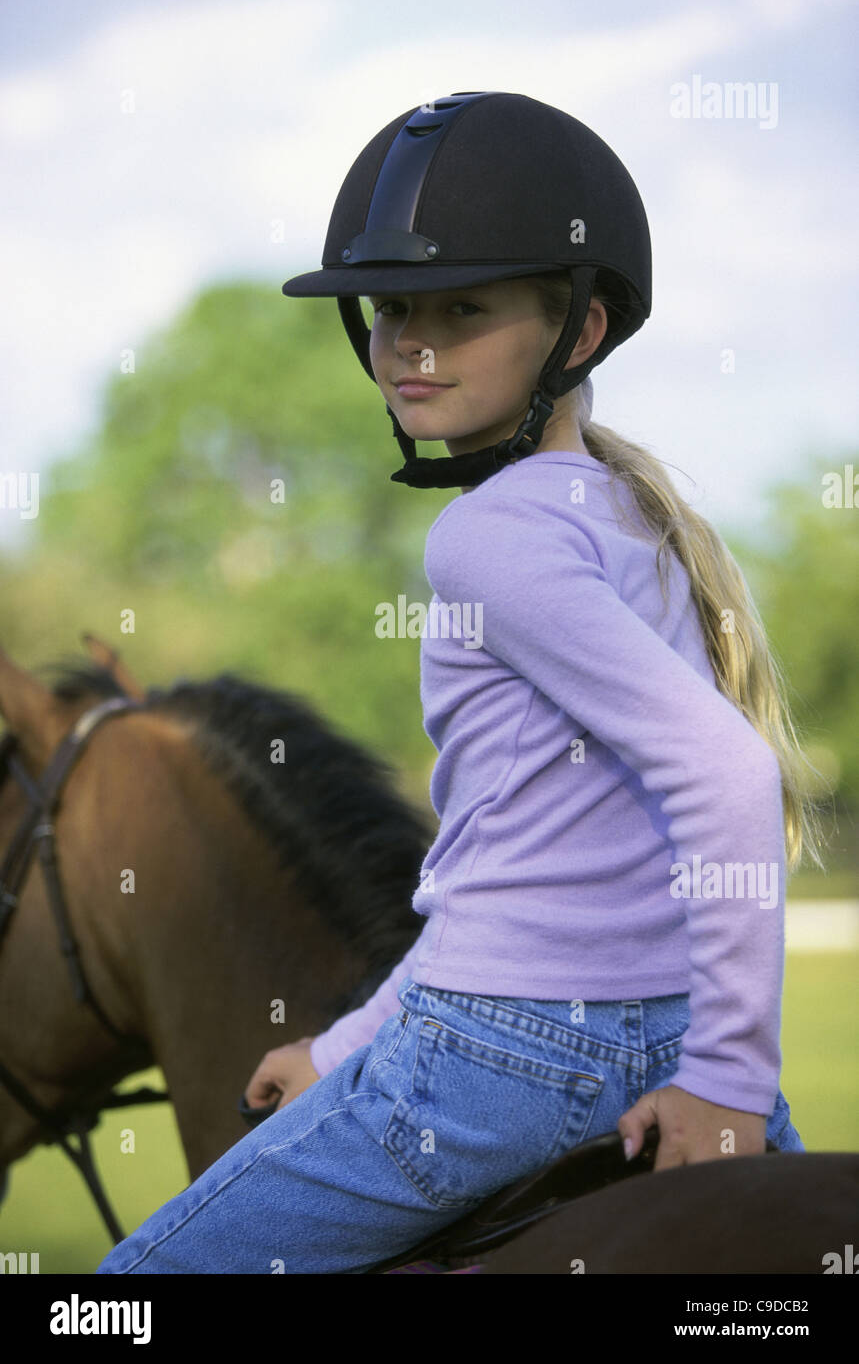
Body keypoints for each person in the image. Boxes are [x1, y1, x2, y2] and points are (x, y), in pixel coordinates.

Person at [97, 92, 825, 1276]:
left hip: (504, 1059)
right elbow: (507, 862)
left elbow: (727, 772)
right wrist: (347, 1045)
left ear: (577, 332)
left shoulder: (484, 536)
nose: (410, 347)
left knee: (125, 1294)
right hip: (664, 1025)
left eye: (463, 311)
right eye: (392, 312)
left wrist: (731, 1082)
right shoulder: (637, 513)